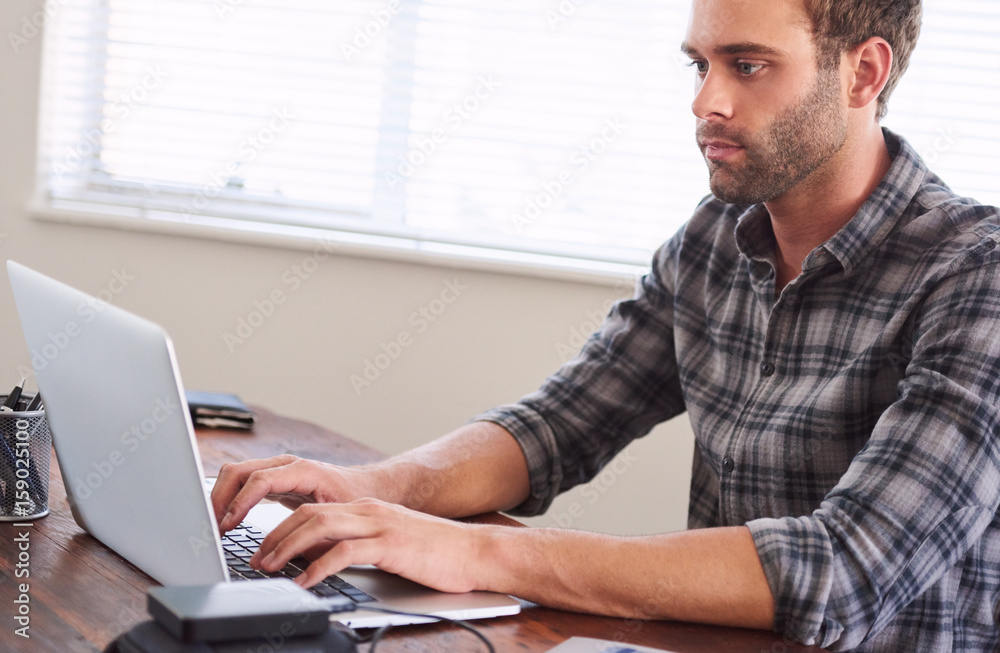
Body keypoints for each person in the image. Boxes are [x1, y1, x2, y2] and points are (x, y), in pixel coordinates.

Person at [211, 0, 1000, 650]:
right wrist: (374, 485)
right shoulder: (711, 241)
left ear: (864, 73)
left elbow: (842, 571)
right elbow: (559, 425)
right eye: (700, 65)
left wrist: (478, 550)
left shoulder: (975, 274)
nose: (707, 102)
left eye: (748, 65)